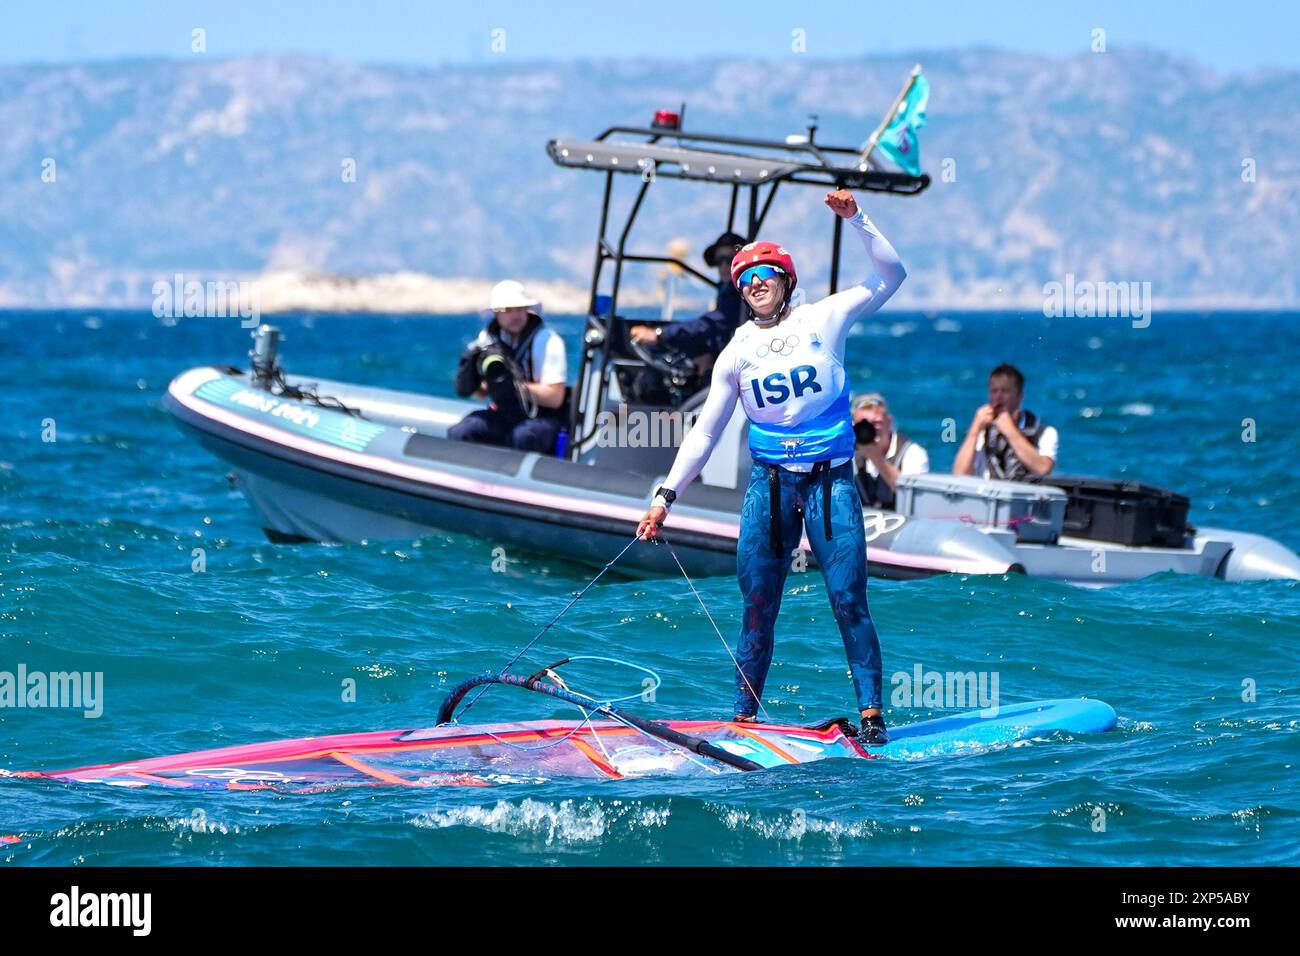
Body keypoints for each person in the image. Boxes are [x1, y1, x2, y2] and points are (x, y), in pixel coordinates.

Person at [636, 189, 906, 746]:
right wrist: (665, 497)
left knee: (847, 597)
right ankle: (745, 718)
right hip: (771, 488)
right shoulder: (736, 352)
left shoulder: (824, 318)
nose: (756, 283)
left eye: (766, 274)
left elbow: (892, 274)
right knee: (758, 603)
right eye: (745, 278)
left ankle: (874, 717)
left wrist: (857, 219)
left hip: (831, 483)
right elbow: (706, 431)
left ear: (785, 280)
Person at [449, 280, 568, 453]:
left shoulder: (548, 341)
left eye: (520, 309)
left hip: (542, 417)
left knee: (524, 437)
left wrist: (515, 386)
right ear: (496, 313)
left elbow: (555, 398)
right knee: (463, 431)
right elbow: (481, 394)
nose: (515, 315)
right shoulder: (487, 340)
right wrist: (474, 379)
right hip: (505, 414)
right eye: (508, 310)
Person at [628, 230, 747, 374]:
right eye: (719, 261)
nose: (723, 266)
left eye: (730, 260)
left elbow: (714, 322)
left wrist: (659, 334)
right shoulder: (726, 289)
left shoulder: (742, 293)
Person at [952, 363, 1058, 480]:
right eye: (994, 391)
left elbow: (1043, 468)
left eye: (1005, 391)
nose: (998, 397)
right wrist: (974, 430)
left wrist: (1010, 431)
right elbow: (959, 474)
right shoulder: (982, 432)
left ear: (1020, 396)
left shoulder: (1046, 433)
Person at [851, 392, 929, 509]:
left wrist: (875, 456)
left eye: (876, 423)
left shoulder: (913, 454)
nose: (870, 429)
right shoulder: (848, 455)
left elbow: (915, 499)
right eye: (863, 425)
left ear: (889, 422)